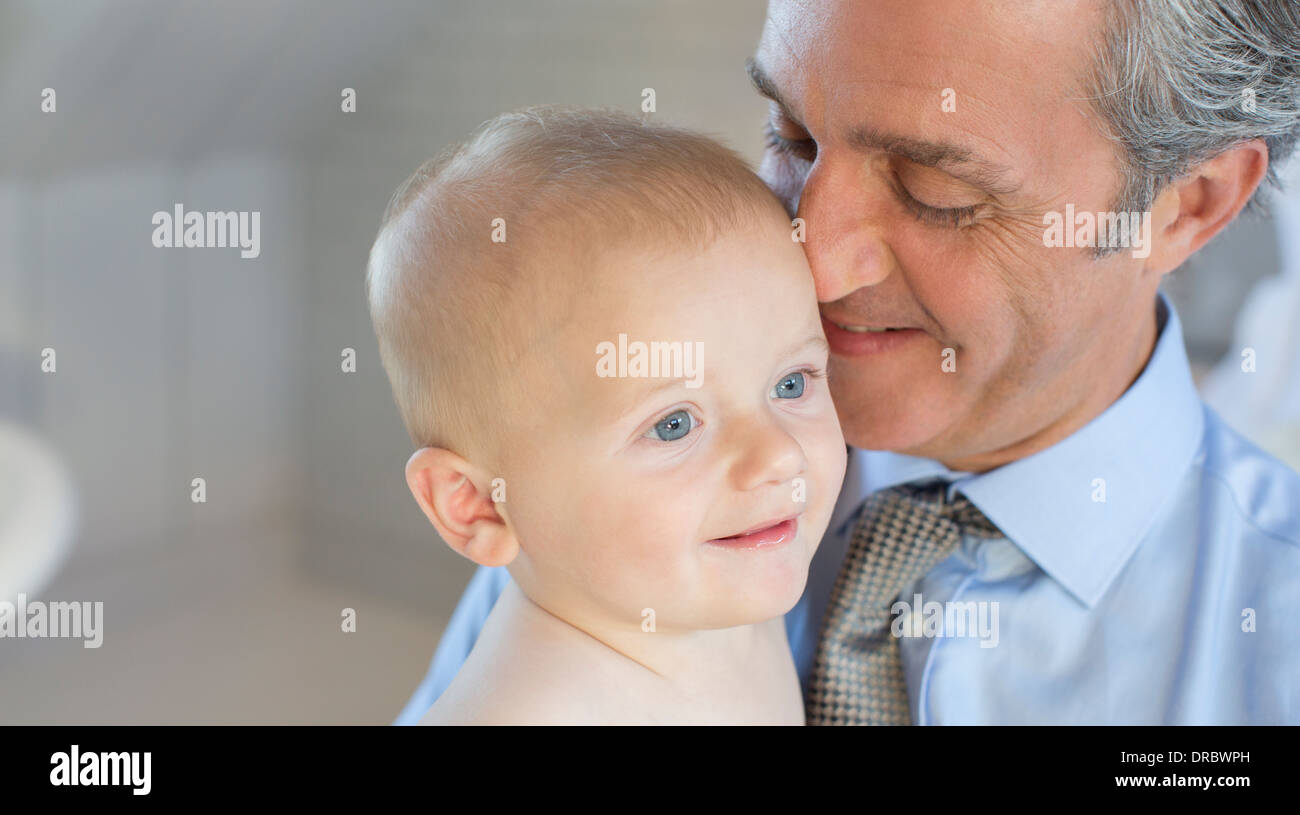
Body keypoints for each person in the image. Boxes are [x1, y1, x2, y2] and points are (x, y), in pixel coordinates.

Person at [398, 0, 1300, 724]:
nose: (813, 259)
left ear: (1186, 205)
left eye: (935, 191)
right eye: (791, 138)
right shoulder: (594, 511)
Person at [366, 107, 847, 723]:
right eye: (673, 424)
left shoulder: (720, 597)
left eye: (790, 382)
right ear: (479, 504)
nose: (781, 454)